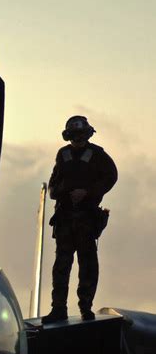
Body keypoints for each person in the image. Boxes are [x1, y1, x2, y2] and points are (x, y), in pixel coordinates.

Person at [42, 116, 118, 324]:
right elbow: (53, 187)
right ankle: (58, 308)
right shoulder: (63, 154)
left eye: (80, 135)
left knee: (87, 265)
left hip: (86, 219)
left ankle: (86, 307)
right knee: (61, 266)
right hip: (65, 219)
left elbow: (111, 177)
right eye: (74, 135)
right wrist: (65, 191)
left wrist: (88, 192)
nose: (77, 139)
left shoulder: (97, 155)